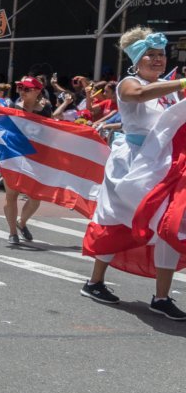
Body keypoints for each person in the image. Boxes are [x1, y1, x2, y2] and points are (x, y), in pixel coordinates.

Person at [80, 27, 186, 320]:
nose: (157, 60)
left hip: (164, 165)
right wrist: (181, 82)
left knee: (169, 221)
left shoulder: (171, 91)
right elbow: (138, 95)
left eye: (161, 55)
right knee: (117, 219)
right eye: (150, 55)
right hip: (132, 165)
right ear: (137, 60)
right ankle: (95, 281)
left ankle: (162, 297)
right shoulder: (129, 83)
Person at [1, 76, 50, 245]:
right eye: (20, 88)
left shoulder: (45, 109)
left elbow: (49, 131)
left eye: (27, 89)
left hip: (35, 158)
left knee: (35, 197)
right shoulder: (13, 107)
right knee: (11, 195)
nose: (22, 91)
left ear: (37, 91)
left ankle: (21, 223)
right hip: (13, 156)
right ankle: (12, 233)